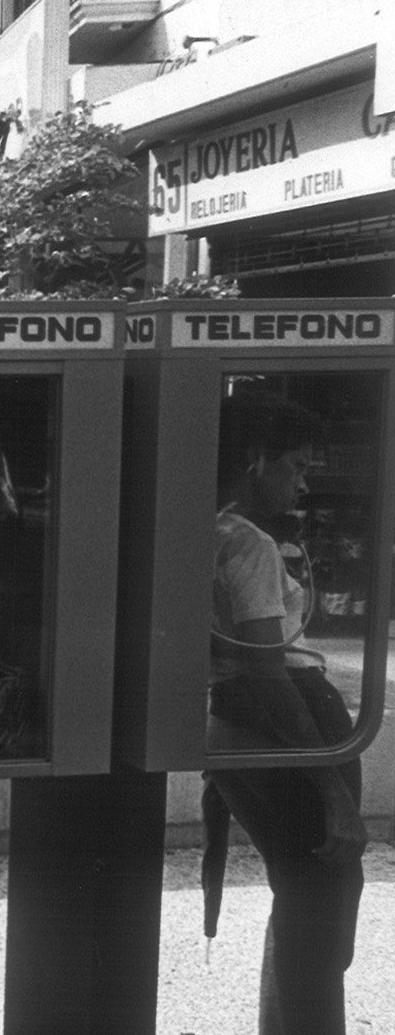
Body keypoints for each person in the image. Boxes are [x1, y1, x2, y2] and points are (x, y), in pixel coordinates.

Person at [203, 392, 366, 1034]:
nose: (301, 483)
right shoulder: (248, 544)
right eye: (295, 466)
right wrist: (330, 783)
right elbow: (269, 669)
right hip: (288, 722)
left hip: (231, 723)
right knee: (325, 906)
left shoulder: (205, 528)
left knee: (301, 901)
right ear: (255, 458)